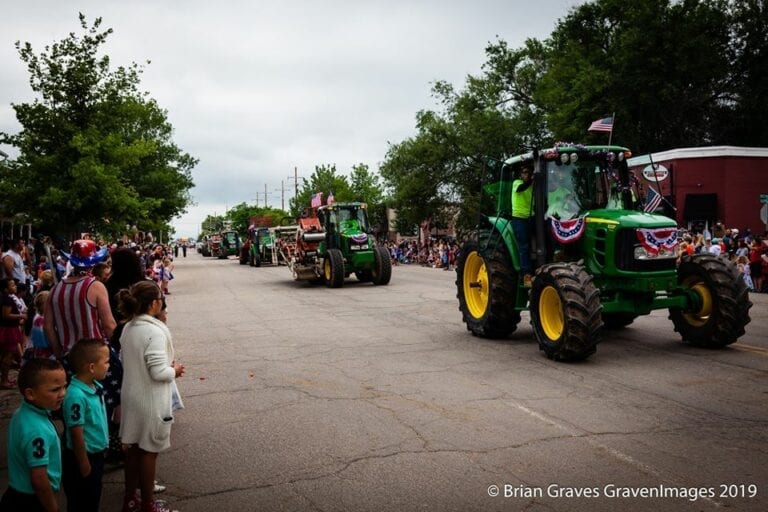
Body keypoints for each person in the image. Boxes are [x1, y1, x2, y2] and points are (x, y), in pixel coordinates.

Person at [117, 281, 184, 512]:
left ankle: (131, 500)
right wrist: (174, 370)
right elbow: (158, 372)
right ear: (154, 303)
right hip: (150, 401)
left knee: (134, 451)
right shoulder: (153, 331)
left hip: (132, 397)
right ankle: (148, 504)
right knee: (148, 452)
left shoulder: (129, 327)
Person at [0, 358, 67, 512]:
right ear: (30, 394)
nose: (63, 394)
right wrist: (52, 508)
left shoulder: (22, 413)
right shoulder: (37, 430)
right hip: (31, 500)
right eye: (55, 389)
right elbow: (39, 478)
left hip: (17, 494)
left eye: (64, 386)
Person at [44, 239, 116, 360]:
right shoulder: (95, 286)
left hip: (68, 355)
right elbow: (109, 325)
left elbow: (48, 327)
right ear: (93, 263)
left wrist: (59, 354)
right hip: (94, 356)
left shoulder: (55, 289)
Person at [62, 338, 110, 512]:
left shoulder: (94, 386)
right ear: (91, 367)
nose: (109, 365)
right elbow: (76, 433)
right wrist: (84, 464)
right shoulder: (76, 396)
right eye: (106, 362)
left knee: (93, 498)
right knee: (81, 501)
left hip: (96, 455)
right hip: (83, 458)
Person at [0, 278, 27, 388]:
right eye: (12, 285)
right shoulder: (7, 300)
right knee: (8, 355)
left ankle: (4, 378)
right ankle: (4, 380)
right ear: (6, 289)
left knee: (7, 354)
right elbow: (6, 315)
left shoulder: (8, 298)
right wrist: (21, 316)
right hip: (9, 330)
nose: (15, 287)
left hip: (9, 328)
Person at [511, 166, 534, 286]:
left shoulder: (532, 185)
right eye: (524, 172)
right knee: (524, 246)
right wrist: (532, 180)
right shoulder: (517, 183)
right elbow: (521, 188)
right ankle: (527, 276)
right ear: (520, 175)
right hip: (519, 218)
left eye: (528, 172)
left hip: (531, 217)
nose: (527, 174)